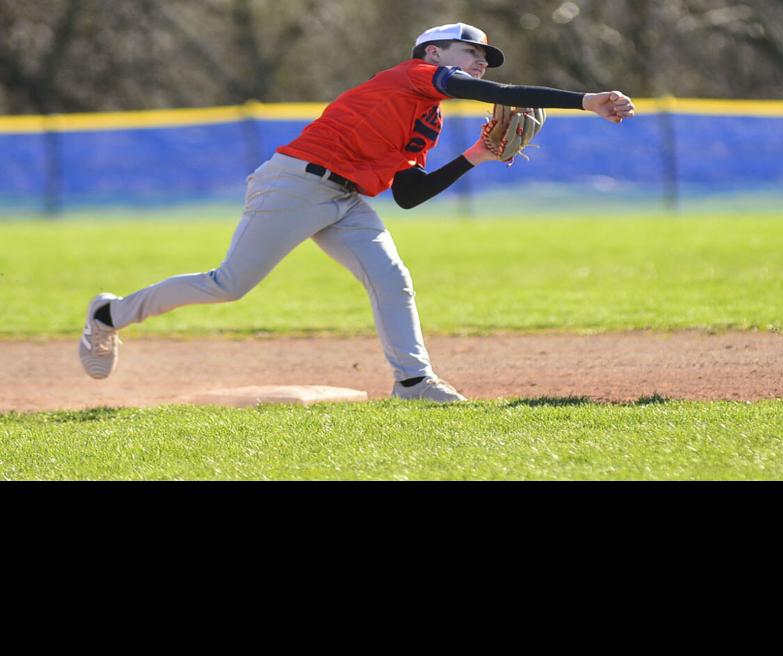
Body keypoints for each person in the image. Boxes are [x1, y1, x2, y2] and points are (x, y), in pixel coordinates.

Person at [78, 22, 636, 402]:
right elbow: (499, 92)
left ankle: (414, 381)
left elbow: (408, 194)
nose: (480, 65)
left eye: (485, 59)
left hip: (347, 199)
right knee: (228, 285)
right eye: (471, 54)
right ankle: (109, 316)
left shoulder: (428, 120)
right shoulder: (412, 77)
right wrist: (585, 101)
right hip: (295, 184)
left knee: (392, 277)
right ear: (433, 53)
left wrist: (477, 155)